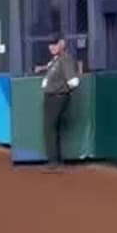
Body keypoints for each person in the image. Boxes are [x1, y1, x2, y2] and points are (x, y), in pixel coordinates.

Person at [40, 37, 81, 167]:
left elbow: (73, 81)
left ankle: (53, 161)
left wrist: (65, 89)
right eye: (49, 45)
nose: (51, 47)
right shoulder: (55, 60)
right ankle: (55, 159)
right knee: (52, 128)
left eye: (54, 44)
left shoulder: (65, 59)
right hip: (52, 96)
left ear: (62, 44)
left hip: (58, 96)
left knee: (50, 127)